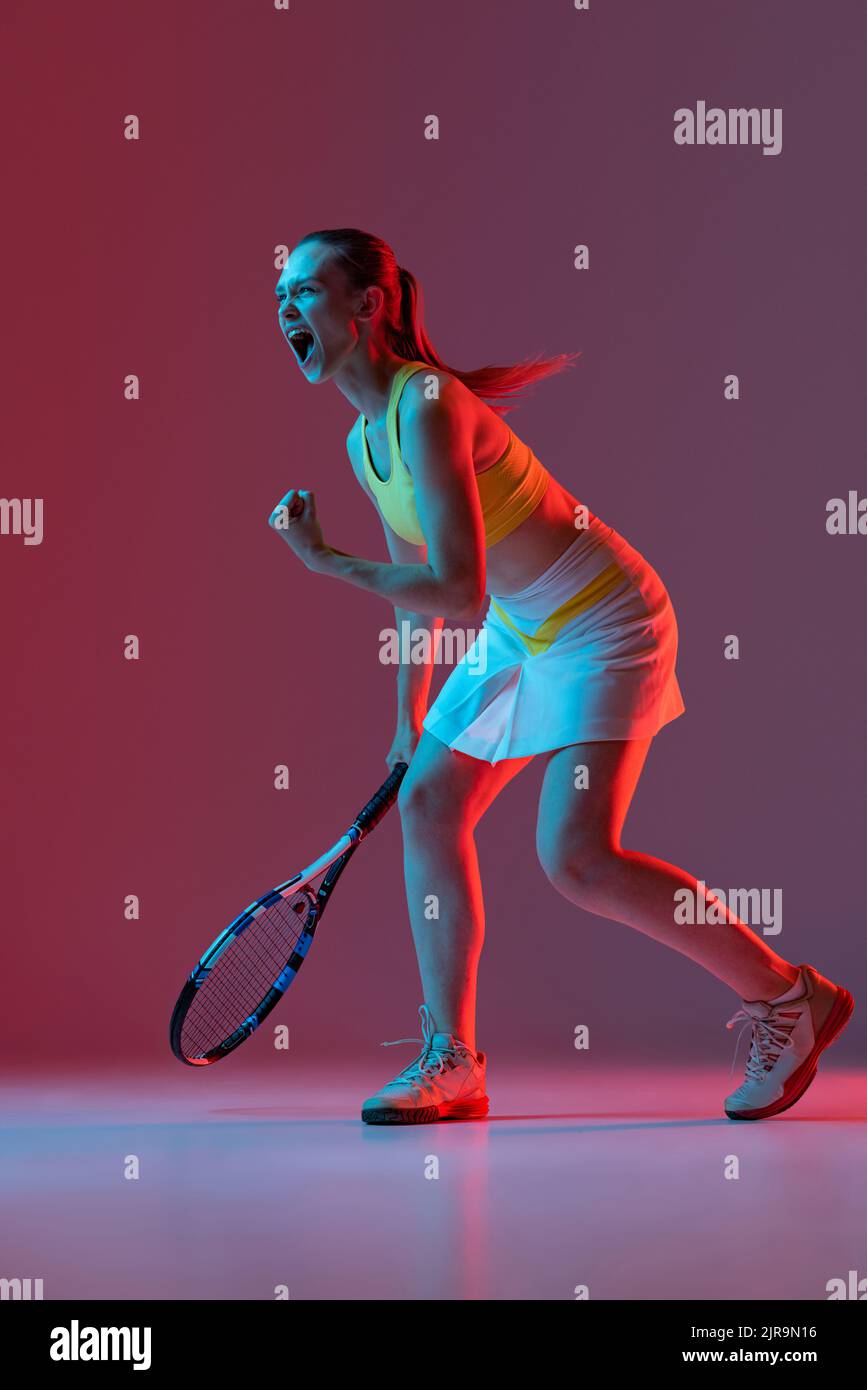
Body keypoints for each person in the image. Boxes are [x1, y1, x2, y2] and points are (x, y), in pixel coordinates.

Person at [269, 227, 854, 1125]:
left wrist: (323, 563)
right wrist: (407, 716)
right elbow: (417, 596)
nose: (287, 309)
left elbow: (455, 589)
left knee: (577, 859)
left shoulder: (427, 403)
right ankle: (451, 1059)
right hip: (520, 628)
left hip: (602, 619)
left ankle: (787, 996)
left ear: (367, 304)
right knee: (428, 803)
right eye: (282, 297)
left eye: (306, 290)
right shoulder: (365, 441)